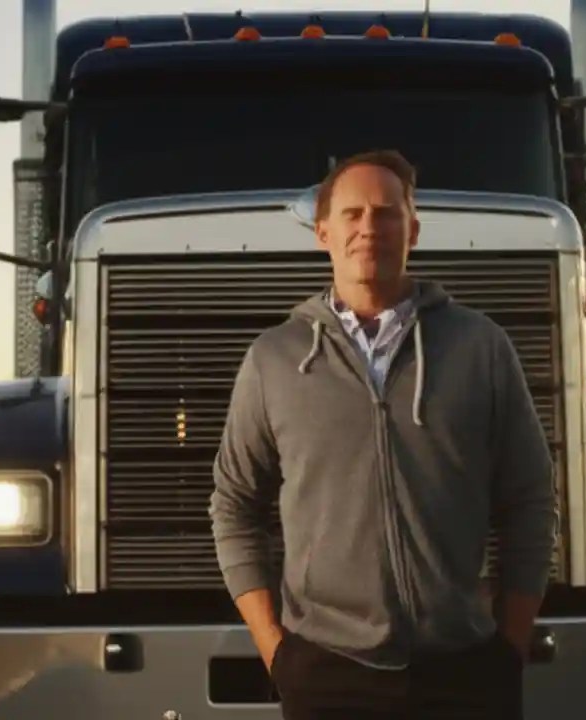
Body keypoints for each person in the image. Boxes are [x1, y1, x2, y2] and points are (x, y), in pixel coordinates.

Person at [208, 149, 557, 719]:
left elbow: (531, 498)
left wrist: (509, 648)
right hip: (326, 671)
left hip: (465, 670)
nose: (369, 227)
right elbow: (233, 504)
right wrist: (278, 652)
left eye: (386, 213)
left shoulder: (481, 347)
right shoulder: (274, 360)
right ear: (323, 231)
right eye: (352, 214)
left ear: (413, 229)